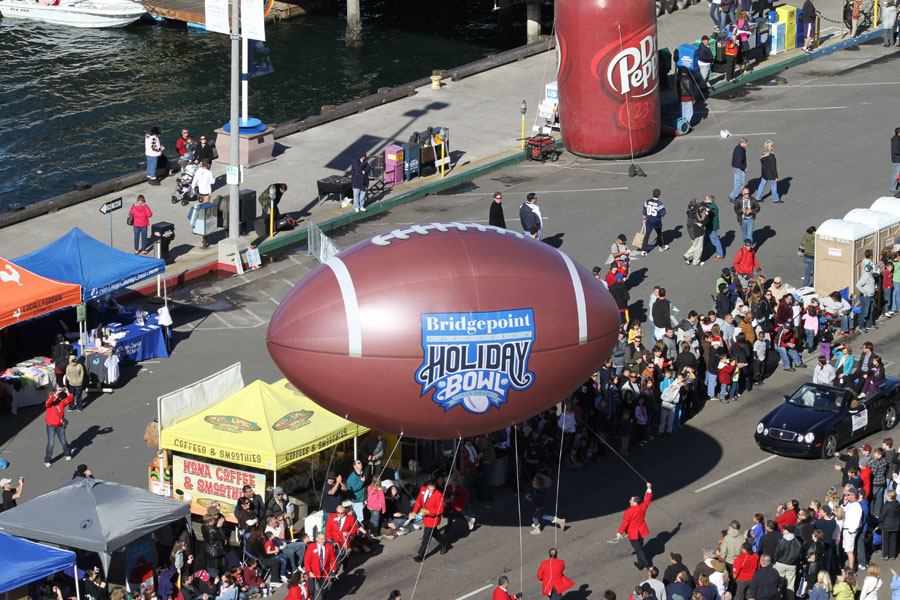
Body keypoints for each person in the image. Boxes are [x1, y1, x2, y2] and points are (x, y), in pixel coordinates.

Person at [617, 482, 653, 570]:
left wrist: (619, 532)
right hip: (641, 531)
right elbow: (648, 500)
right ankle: (640, 565)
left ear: (635, 502)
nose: (630, 501)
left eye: (631, 500)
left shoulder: (628, 511)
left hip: (633, 534)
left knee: (639, 550)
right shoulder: (642, 506)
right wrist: (649, 488)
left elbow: (625, 523)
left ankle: (648, 566)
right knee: (639, 548)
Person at [410, 479, 448, 562]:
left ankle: (421, 555)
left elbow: (440, 510)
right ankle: (443, 543)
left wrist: (428, 512)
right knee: (434, 533)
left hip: (432, 519)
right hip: (425, 518)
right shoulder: (423, 490)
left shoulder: (438, 495)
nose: (431, 489)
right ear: (427, 486)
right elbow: (418, 502)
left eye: (433, 488)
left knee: (426, 537)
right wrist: (414, 512)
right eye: (430, 487)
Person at [44, 387, 73, 467]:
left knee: (63, 441)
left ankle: (68, 454)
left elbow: (70, 400)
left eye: (57, 395)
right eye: (55, 395)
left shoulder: (61, 402)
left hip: (60, 426)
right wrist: (55, 394)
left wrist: (67, 392)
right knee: (51, 443)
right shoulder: (49, 404)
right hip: (51, 426)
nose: (57, 396)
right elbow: (48, 402)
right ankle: (47, 460)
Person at [303, 532, 337, 599]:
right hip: (313, 573)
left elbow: (333, 559)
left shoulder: (329, 547)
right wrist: (309, 571)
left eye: (324, 539)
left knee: (324, 590)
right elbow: (306, 560)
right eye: (321, 539)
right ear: (317, 539)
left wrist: (333, 570)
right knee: (311, 590)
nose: (323, 541)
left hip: (324, 572)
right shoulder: (311, 547)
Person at [641, 189, 669, 255]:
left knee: (646, 235)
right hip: (657, 222)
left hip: (649, 221)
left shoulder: (647, 202)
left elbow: (644, 211)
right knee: (659, 234)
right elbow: (663, 213)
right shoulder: (660, 204)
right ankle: (661, 247)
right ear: (659, 195)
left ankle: (643, 250)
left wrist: (644, 219)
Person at [684, 198, 707, 267]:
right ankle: (696, 262)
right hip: (697, 231)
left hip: (691, 230)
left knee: (695, 244)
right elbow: (701, 214)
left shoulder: (689, 209)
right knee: (699, 247)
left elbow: (690, 213)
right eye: (697, 202)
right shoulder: (696, 210)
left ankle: (686, 256)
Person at [703, 195, 725, 260]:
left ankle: (720, 254)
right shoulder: (711, 206)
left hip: (711, 227)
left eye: (706, 199)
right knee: (705, 239)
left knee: (715, 241)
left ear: (710, 200)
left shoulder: (713, 207)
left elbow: (708, 213)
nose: (705, 200)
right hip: (709, 226)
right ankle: (701, 251)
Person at [346, 459, 367, 524]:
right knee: (361, 517)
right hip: (357, 501)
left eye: (360, 462)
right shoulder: (352, 477)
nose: (360, 463)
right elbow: (353, 488)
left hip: (362, 499)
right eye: (358, 463)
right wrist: (361, 482)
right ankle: (361, 531)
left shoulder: (361, 474)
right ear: (354, 466)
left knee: (364, 516)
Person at [881, 489, 900, 560]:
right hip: (895, 525)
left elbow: (882, 516)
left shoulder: (886, 506)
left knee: (885, 541)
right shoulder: (897, 504)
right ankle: (893, 555)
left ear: (889, 496)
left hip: (886, 526)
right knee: (893, 540)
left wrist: (880, 521)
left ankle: (885, 555)